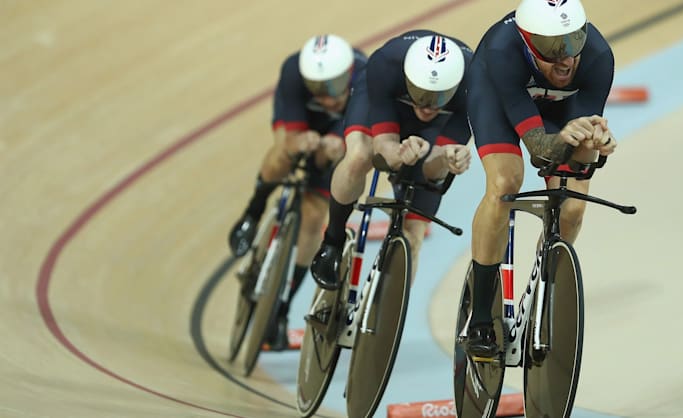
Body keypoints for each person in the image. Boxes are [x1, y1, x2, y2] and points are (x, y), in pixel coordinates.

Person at [464, 0, 618, 359]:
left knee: (572, 209)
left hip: (561, 110)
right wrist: (565, 140)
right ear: (528, 40)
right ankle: (482, 313)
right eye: (552, 48)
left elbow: (581, 139)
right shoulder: (502, 50)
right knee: (505, 185)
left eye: (573, 42)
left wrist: (597, 140)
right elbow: (539, 149)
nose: (565, 58)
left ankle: (542, 292)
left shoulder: (597, 57)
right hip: (500, 102)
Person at [227, 34, 366, 349]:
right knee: (282, 156)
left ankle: (282, 306)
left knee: (314, 215)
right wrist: (299, 141)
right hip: (305, 124)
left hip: (344, 129)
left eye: (332, 87)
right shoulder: (293, 71)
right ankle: (253, 211)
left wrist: (336, 144)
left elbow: (359, 141)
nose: (326, 96)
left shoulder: (367, 78)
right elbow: (286, 137)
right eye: (317, 89)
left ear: (348, 74)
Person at [309, 31, 474, 290]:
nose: (428, 106)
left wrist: (447, 158)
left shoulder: (473, 87)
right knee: (359, 157)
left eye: (438, 96)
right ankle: (333, 240)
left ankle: (385, 313)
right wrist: (401, 154)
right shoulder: (386, 64)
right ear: (408, 77)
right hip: (387, 102)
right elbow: (384, 147)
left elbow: (432, 171)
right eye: (421, 94)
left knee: (413, 237)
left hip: (440, 124)